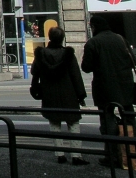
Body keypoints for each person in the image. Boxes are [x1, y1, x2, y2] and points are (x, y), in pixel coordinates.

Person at [81, 14, 136, 168]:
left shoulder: (93, 42)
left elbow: (86, 67)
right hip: (125, 86)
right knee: (130, 121)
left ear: (94, 27)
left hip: (104, 88)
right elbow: (133, 61)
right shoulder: (120, 39)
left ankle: (113, 156)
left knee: (108, 123)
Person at [30, 27, 88, 166]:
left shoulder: (41, 54)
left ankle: (60, 154)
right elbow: (76, 76)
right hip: (69, 93)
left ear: (49, 37)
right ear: (62, 38)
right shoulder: (68, 54)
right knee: (73, 123)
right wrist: (81, 95)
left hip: (49, 93)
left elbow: (34, 72)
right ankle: (76, 155)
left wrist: (35, 89)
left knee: (54, 123)